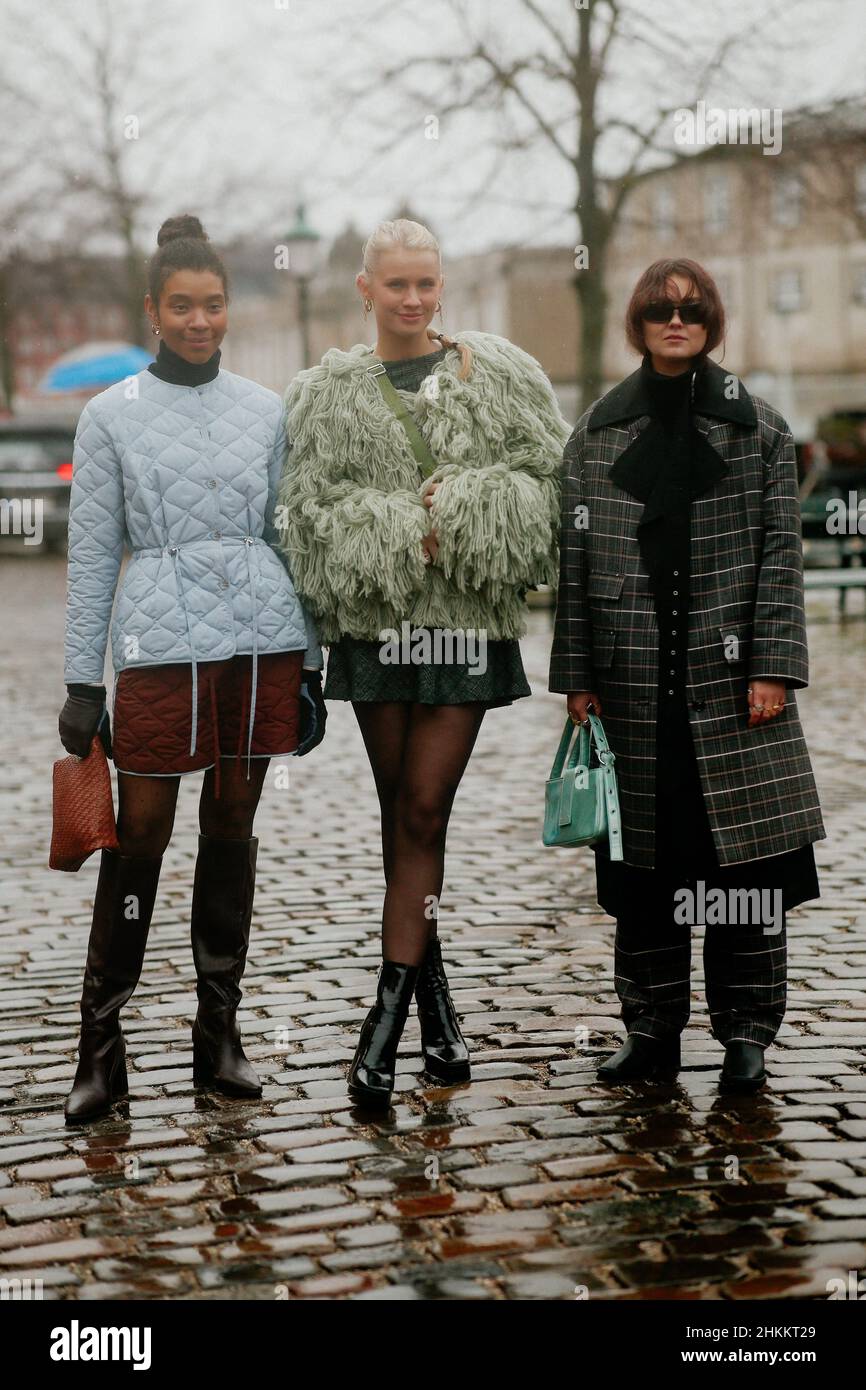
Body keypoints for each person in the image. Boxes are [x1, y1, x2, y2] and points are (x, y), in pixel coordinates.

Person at [277, 217, 570, 1108]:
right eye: (394, 284)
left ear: (443, 287)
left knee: (422, 807)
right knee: (405, 823)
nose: (411, 299)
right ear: (364, 288)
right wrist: (408, 530)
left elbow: (549, 480)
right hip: (375, 633)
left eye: (425, 283)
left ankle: (381, 1029)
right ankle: (436, 1016)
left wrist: (473, 508)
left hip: (461, 633)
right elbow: (308, 517)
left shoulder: (499, 371)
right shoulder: (325, 396)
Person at [59, 214, 325, 1125]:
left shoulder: (266, 409)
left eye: (214, 304)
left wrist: (312, 663)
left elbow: (295, 541)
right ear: (153, 310)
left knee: (234, 827)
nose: (201, 320)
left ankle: (220, 1035)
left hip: (260, 645)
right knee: (140, 836)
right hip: (159, 651)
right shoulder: (109, 417)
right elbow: (92, 554)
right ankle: (102, 1044)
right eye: (183, 306)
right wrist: (82, 683)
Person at [549, 257, 825, 1093]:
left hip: (736, 686)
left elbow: (782, 557)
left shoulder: (762, 433)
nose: (678, 321)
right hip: (634, 688)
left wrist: (774, 666)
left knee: (745, 871)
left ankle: (746, 1036)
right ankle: (651, 1031)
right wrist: (577, 677)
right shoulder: (597, 433)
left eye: (693, 310)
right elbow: (575, 564)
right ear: (638, 321)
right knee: (646, 873)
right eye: (662, 311)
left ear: (712, 322)